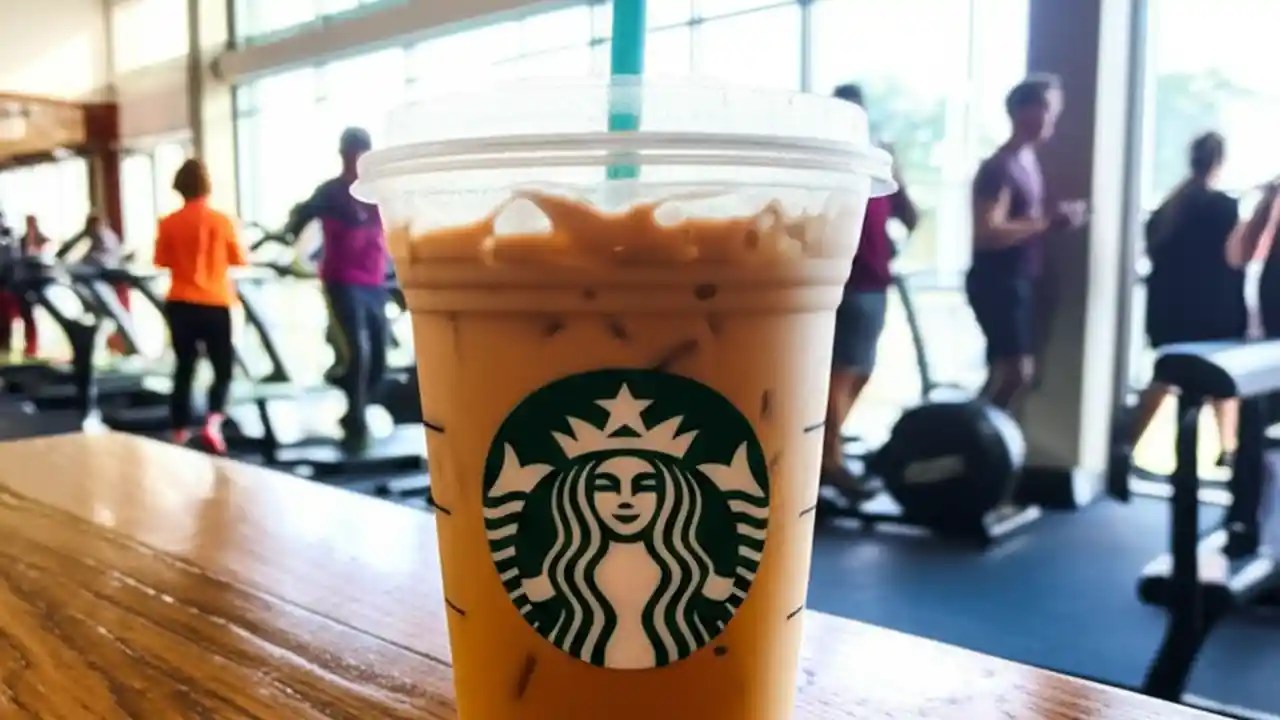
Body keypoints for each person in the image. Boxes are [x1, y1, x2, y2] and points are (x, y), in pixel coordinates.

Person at [821, 83, 920, 500]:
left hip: (874, 282)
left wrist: (896, 174)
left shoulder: (875, 165)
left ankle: (830, 449)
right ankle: (829, 459)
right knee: (840, 374)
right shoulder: (828, 165)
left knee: (859, 370)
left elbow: (911, 214)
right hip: (844, 282)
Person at [967, 74, 1085, 410]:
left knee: (1005, 372)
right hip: (998, 281)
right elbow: (987, 231)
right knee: (1016, 372)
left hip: (1018, 279)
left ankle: (978, 445)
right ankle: (977, 441)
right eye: (1047, 108)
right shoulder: (1000, 167)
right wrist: (1047, 221)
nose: (1053, 119)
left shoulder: (1027, 162)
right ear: (1023, 111)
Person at [1127, 133, 1245, 465]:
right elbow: (1235, 259)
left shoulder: (1167, 209)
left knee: (1165, 378)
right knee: (1224, 382)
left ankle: (1126, 444)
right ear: (1219, 162)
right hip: (1211, 315)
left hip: (1169, 315)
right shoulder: (1223, 208)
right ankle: (1229, 448)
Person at [285, 127, 390, 452]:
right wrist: (291, 235)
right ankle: (355, 421)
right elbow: (296, 220)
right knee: (359, 351)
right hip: (342, 280)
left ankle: (347, 386)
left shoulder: (379, 193)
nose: (357, 158)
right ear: (344, 155)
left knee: (379, 357)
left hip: (375, 282)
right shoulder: (330, 193)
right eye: (352, 152)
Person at [154, 159, 246, 453]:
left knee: (184, 367)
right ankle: (212, 424)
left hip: (180, 301)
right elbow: (240, 259)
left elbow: (161, 260)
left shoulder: (169, 222)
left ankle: (179, 431)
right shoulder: (222, 221)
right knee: (223, 368)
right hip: (215, 302)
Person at [59, 212, 131, 354]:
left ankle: (126, 348)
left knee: (113, 315)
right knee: (101, 318)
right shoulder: (102, 236)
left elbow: (102, 259)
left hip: (101, 281)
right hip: (93, 282)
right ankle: (97, 349)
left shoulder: (104, 236)